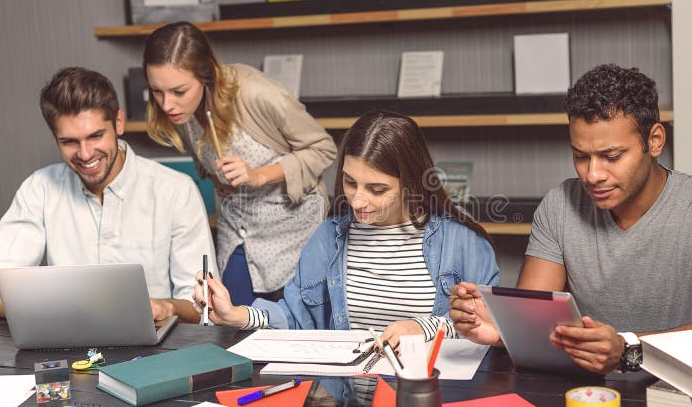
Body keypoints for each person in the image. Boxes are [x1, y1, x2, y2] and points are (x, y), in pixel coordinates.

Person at [450, 64, 692, 374]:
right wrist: (504, 330)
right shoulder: (560, 205)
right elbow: (537, 318)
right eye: (580, 156)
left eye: (612, 156)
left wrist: (627, 348)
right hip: (587, 394)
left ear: (654, 141)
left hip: (686, 400)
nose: (593, 174)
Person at [194, 110, 500, 346]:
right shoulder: (330, 236)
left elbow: (491, 328)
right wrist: (237, 314)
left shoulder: (462, 241)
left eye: (377, 190)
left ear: (411, 182)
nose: (357, 200)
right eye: (350, 182)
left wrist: (424, 327)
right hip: (350, 396)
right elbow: (297, 316)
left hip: (433, 396)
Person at [0, 67, 215, 323]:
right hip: (64, 349)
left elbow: (204, 304)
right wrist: (50, 309)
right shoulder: (39, 189)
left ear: (118, 123)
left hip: (156, 353)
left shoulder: (176, 190)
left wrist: (167, 307)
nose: (85, 154)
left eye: (96, 136)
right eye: (69, 142)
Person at [142, 22, 337, 306]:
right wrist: (219, 181)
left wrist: (259, 176)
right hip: (238, 234)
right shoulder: (180, 113)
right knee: (233, 330)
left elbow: (323, 148)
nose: (167, 104)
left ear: (206, 75)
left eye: (178, 92)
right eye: (157, 92)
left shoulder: (256, 92)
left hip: (294, 234)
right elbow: (207, 159)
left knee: (295, 333)